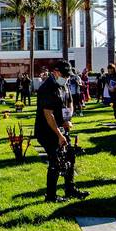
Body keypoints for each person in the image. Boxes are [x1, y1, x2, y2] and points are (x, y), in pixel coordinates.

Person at [35, 59, 90, 203]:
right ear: (56, 73)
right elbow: (48, 115)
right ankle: (51, 196)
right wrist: (59, 135)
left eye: (68, 75)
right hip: (47, 130)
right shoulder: (47, 88)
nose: (67, 78)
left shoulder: (64, 85)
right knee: (56, 161)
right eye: (64, 75)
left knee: (70, 156)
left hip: (61, 127)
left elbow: (70, 102)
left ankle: (70, 189)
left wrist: (68, 118)